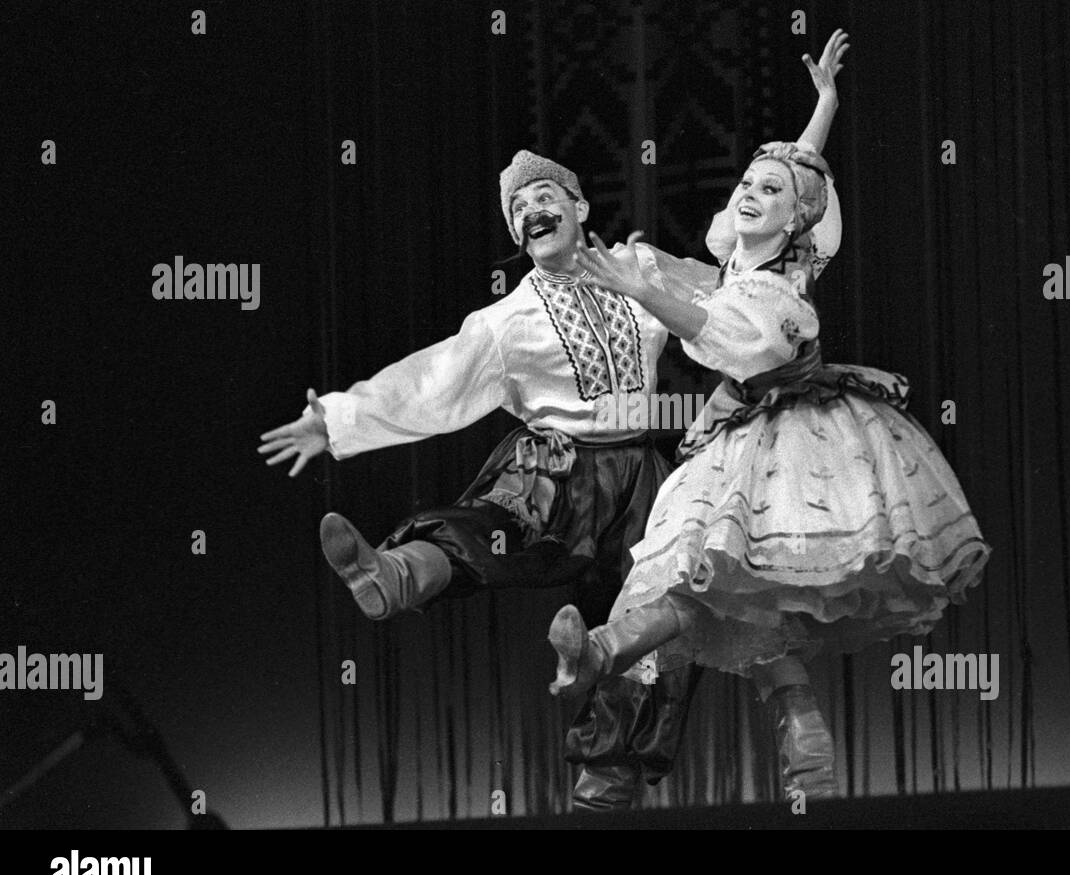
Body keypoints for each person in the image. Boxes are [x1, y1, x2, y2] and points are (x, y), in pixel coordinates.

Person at [256, 32, 850, 809]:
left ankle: (608, 780)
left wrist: (783, 283)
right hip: (557, 469)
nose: (533, 211)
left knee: (653, 620)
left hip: (643, 476)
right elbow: (432, 381)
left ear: (578, 208)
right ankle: (396, 576)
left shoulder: (637, 267)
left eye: (545, 198)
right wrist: (335, 421)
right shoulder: (508, 322)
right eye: (520, 209)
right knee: (489, 528)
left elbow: (727, 288)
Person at [546, 29, 993, 802]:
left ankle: (608, 656)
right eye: (747, 181)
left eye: (770, 193)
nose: (751, 192)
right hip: (734, 433)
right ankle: (794, 729)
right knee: (722, 582)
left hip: (794, 444)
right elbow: (787, 190)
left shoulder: (780, 296)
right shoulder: (743, 260)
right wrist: (823, 106)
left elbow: (724, 338)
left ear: (797, 224)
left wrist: (642, 289)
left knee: (712, 570)